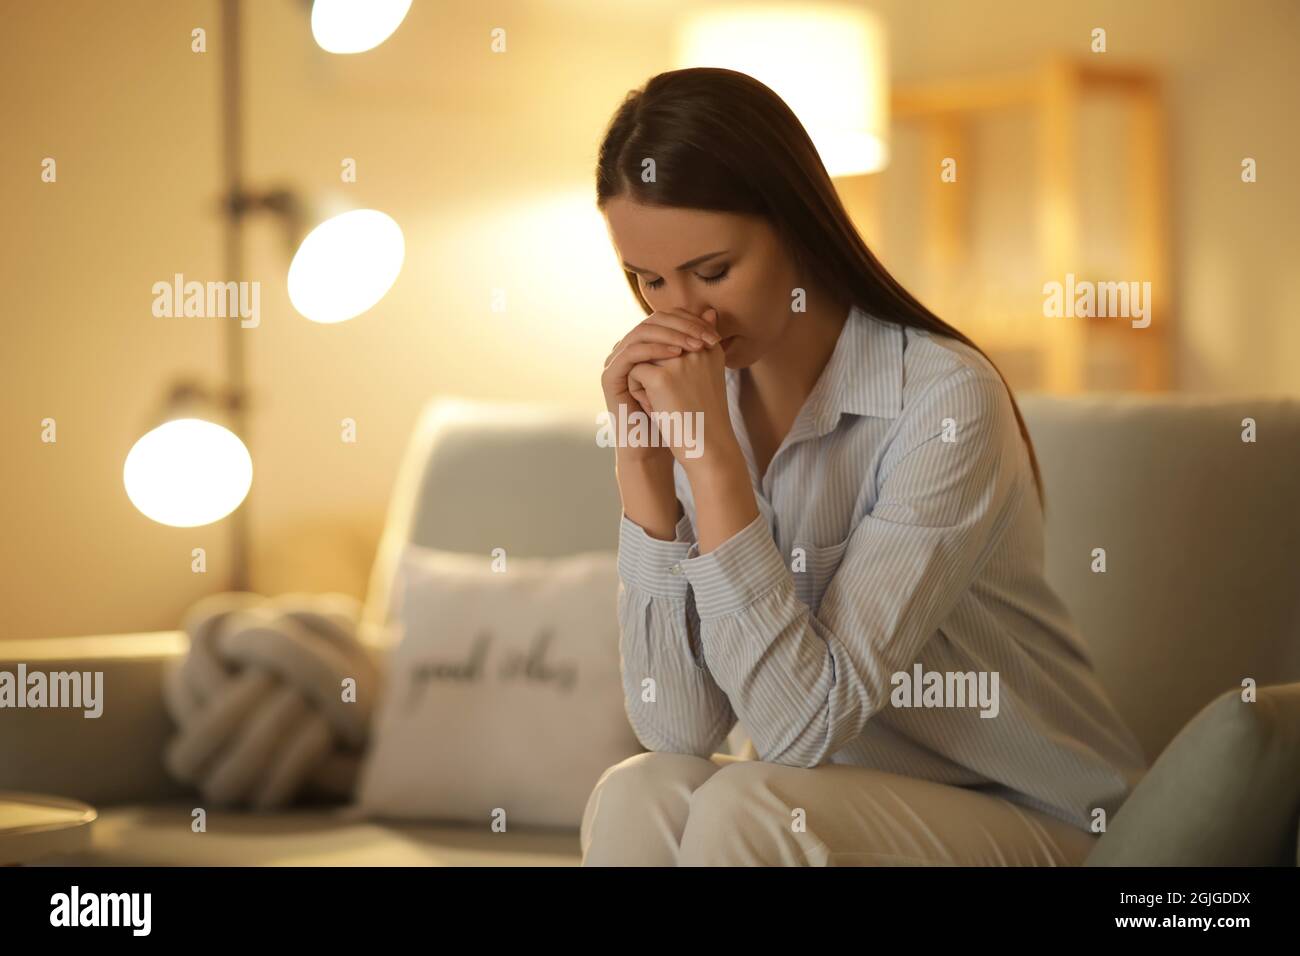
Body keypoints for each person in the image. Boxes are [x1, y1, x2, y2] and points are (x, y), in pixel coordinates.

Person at [585, 67, 1146, 866]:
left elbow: (797, 728)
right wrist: (644, 480)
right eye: (649, 280)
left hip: (1029, 814)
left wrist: (712, 466)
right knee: (638, 789)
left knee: (753, 805)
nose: (686, 315)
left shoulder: (945, 400)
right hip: (826, 805)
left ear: (796, 226)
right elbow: (676, 729)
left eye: (713, 272)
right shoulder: (699, 396)